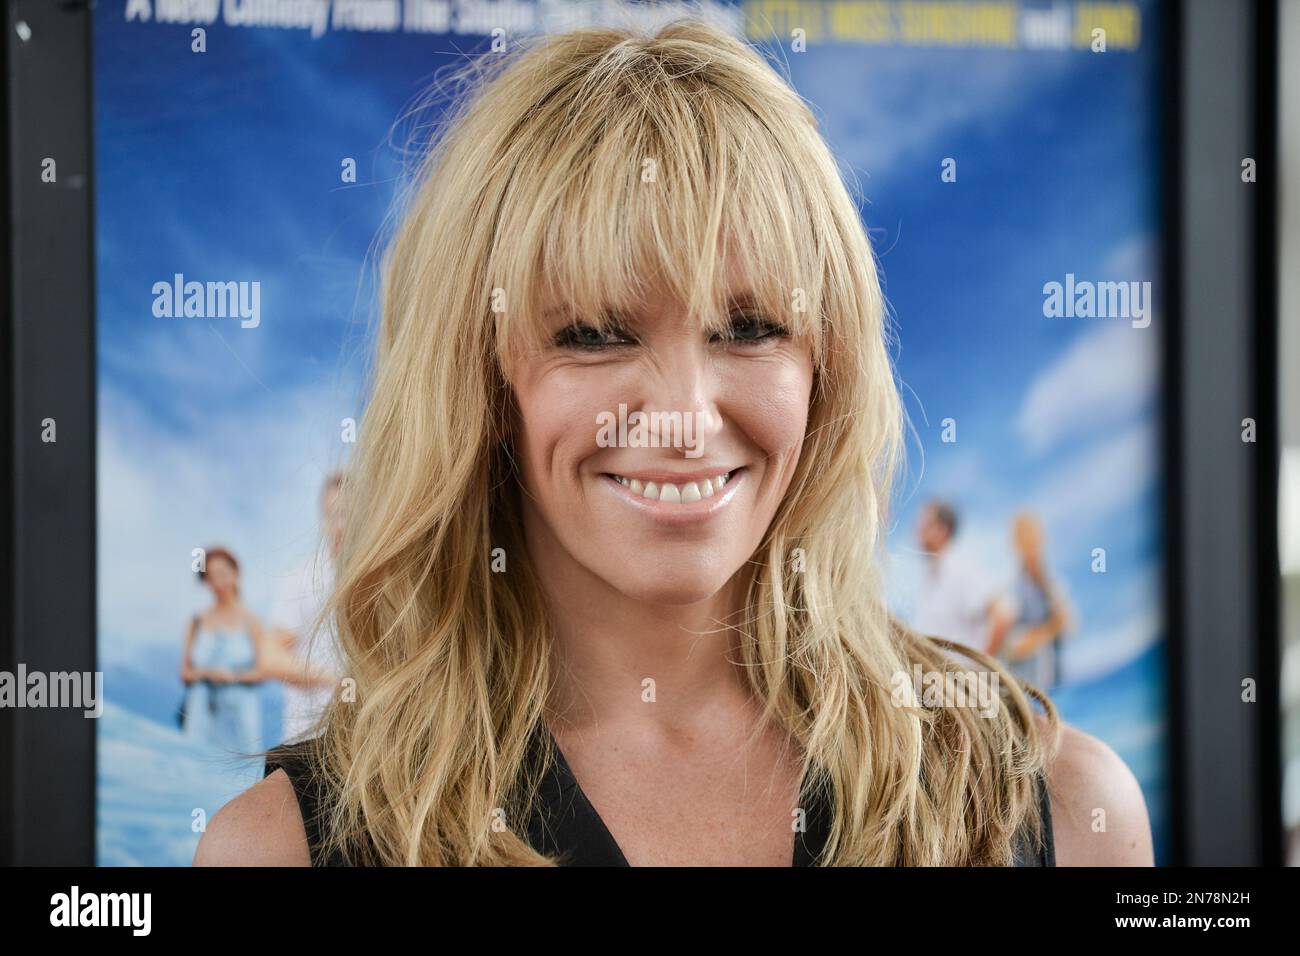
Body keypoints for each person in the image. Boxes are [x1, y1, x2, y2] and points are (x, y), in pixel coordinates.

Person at [196, 20, 1152, 867]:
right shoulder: (278, 849)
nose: (686, 417)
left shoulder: (1065, 810)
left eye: (749, 328)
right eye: (595, 333)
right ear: (479, 379)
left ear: (831, 367)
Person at [266, 471, 348, 744]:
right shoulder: (300, 578)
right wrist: (332, 679)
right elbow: (273, 658)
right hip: (306, 741)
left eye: (349, 513)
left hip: (363, 744)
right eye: (333, 514)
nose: (341, 525)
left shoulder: (382, 581)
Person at [180, 547, 271, 781]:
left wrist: (232, 677)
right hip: (203, 708)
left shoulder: (252, 621)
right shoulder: (197, 620)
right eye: (211, 577)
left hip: (240, 709)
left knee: (242, 776)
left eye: (222, 572)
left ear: (235, 573)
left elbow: (263, 670)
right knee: (197, 771)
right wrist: (208, 674)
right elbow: (186, 672)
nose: (218, 581)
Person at [989, 512, 1073, 693]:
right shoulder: (1010, 589)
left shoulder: (1053, 583)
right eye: (1024, 537)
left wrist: (1061, 622)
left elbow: (1070, 628)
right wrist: (1051, 628)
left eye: (1034, 535)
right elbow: (1011, 647)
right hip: (1026, 694)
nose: (1031, 543)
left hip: (1057, 687)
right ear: (1015, 545)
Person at [911, 499, 996, 654]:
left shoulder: (962, 568)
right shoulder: (930, 574)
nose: (918, 530)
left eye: (925, 524)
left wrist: (979, 670)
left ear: (942, 530)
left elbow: (1003, 615)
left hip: (958, 676)